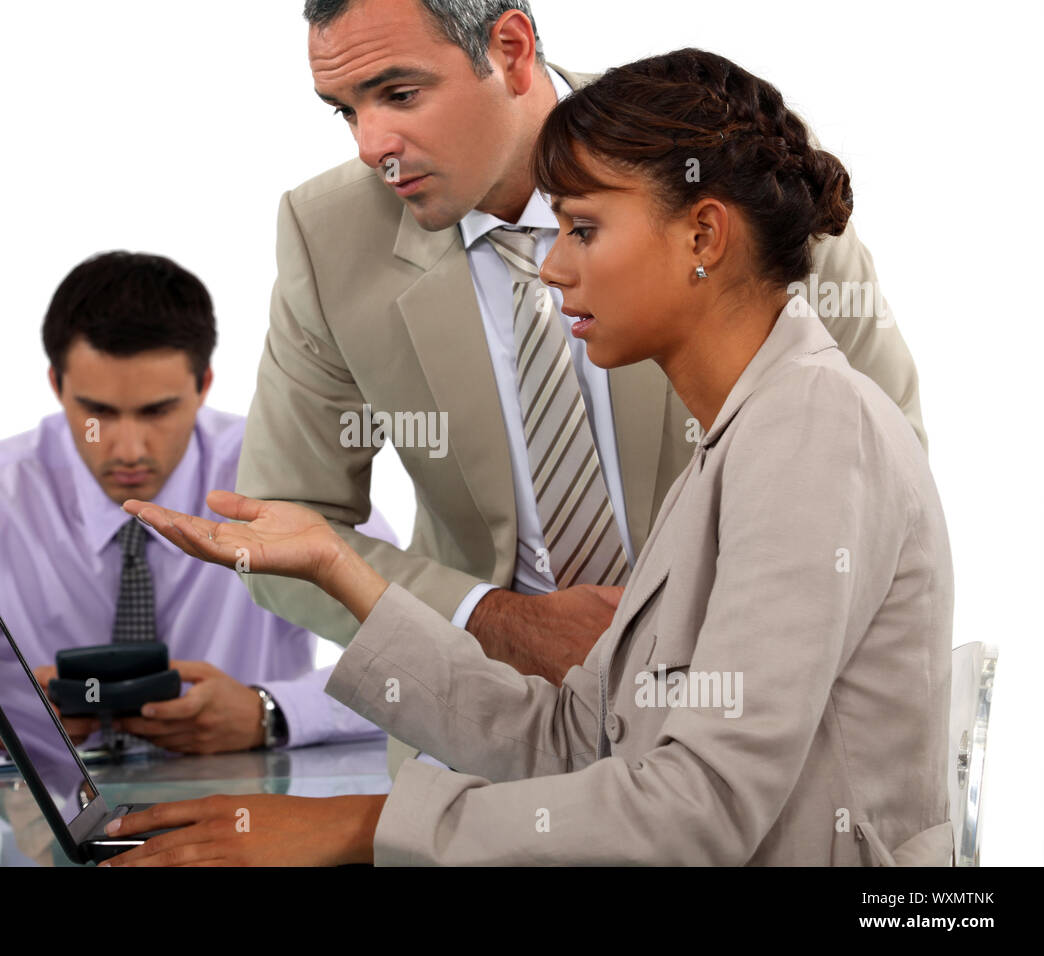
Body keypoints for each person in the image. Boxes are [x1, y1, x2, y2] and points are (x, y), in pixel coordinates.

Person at [103, 48, 952, 866]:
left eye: (581, 229)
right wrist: (336, 566)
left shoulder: (809, 427)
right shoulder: (734, 437)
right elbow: (572, 737)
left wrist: (357, 830)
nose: (548, 268)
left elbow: (701, 807)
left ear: (704, 235)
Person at [235, 0, 926, 715]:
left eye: (400, 94)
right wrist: (493, 619)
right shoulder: (326, 235)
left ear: (510, 48)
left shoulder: (709, 147)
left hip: (749, 709)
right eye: (344, 110)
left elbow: (879, 462)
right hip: (483, 727)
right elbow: (282, 526)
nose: (370, 143)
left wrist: (698, 658)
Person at [0, 252, 391, 757]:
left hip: (245, 827)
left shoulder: (282, 475)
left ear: (204, 384)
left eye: (156, 411)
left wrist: (270, 712)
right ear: (55, 384)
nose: (127, 450)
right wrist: (7, 717)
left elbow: (418, 661)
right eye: (97, 411)